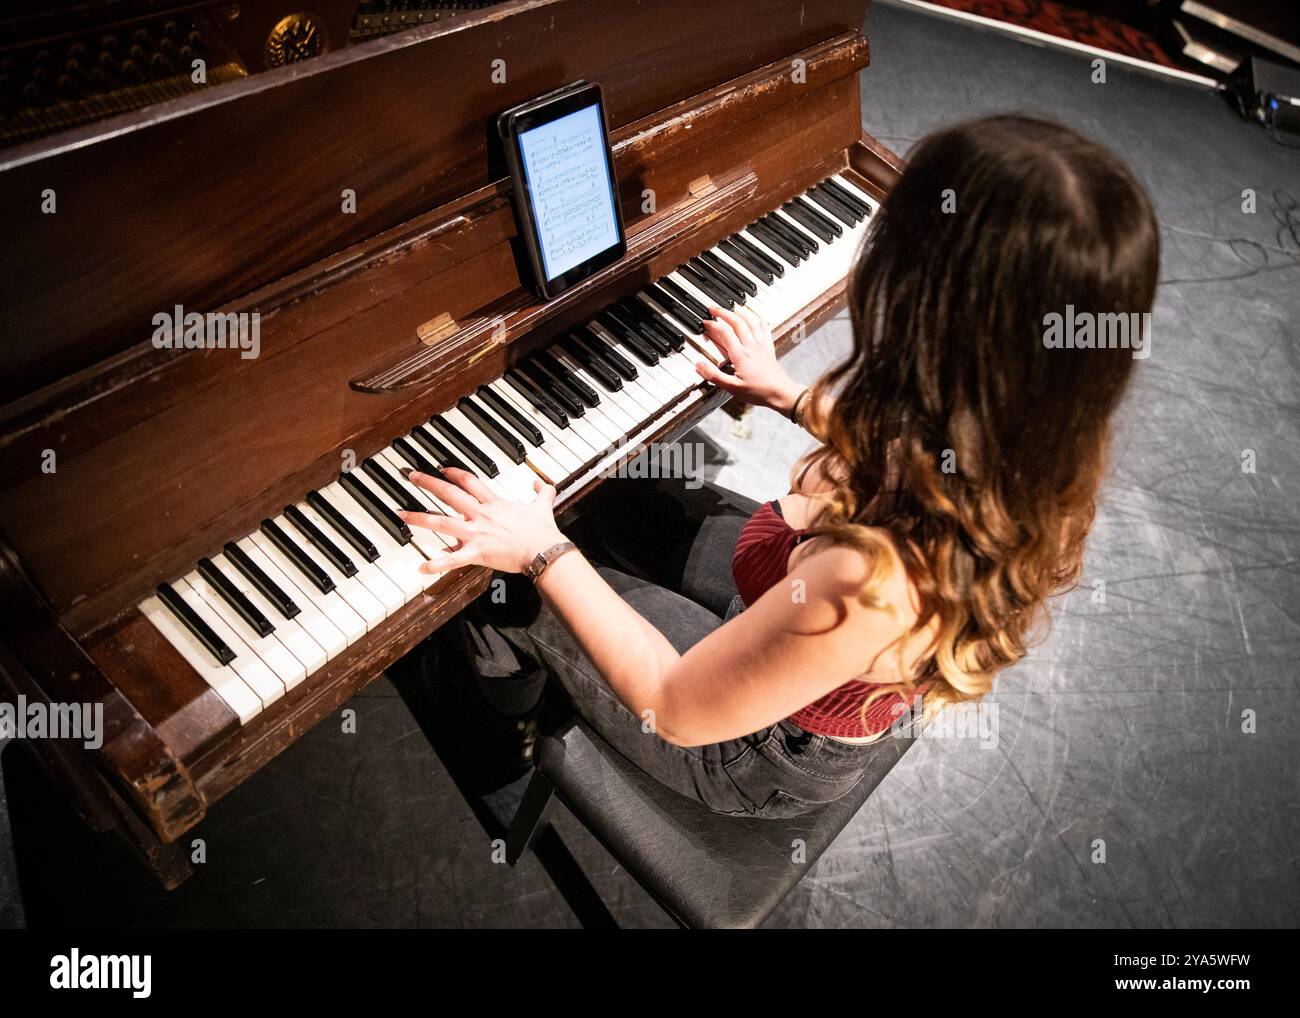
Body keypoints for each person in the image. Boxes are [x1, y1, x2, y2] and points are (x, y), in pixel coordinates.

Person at [396, 114, 1160, 818]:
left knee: (488, 594)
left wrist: (541, 550)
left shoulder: (872, 584)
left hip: (747, 751)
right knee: (618, 495)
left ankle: (499, 757)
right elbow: (909, 454)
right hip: (791, 596)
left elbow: (676, 702)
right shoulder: (1027, 440)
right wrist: (789, 396)